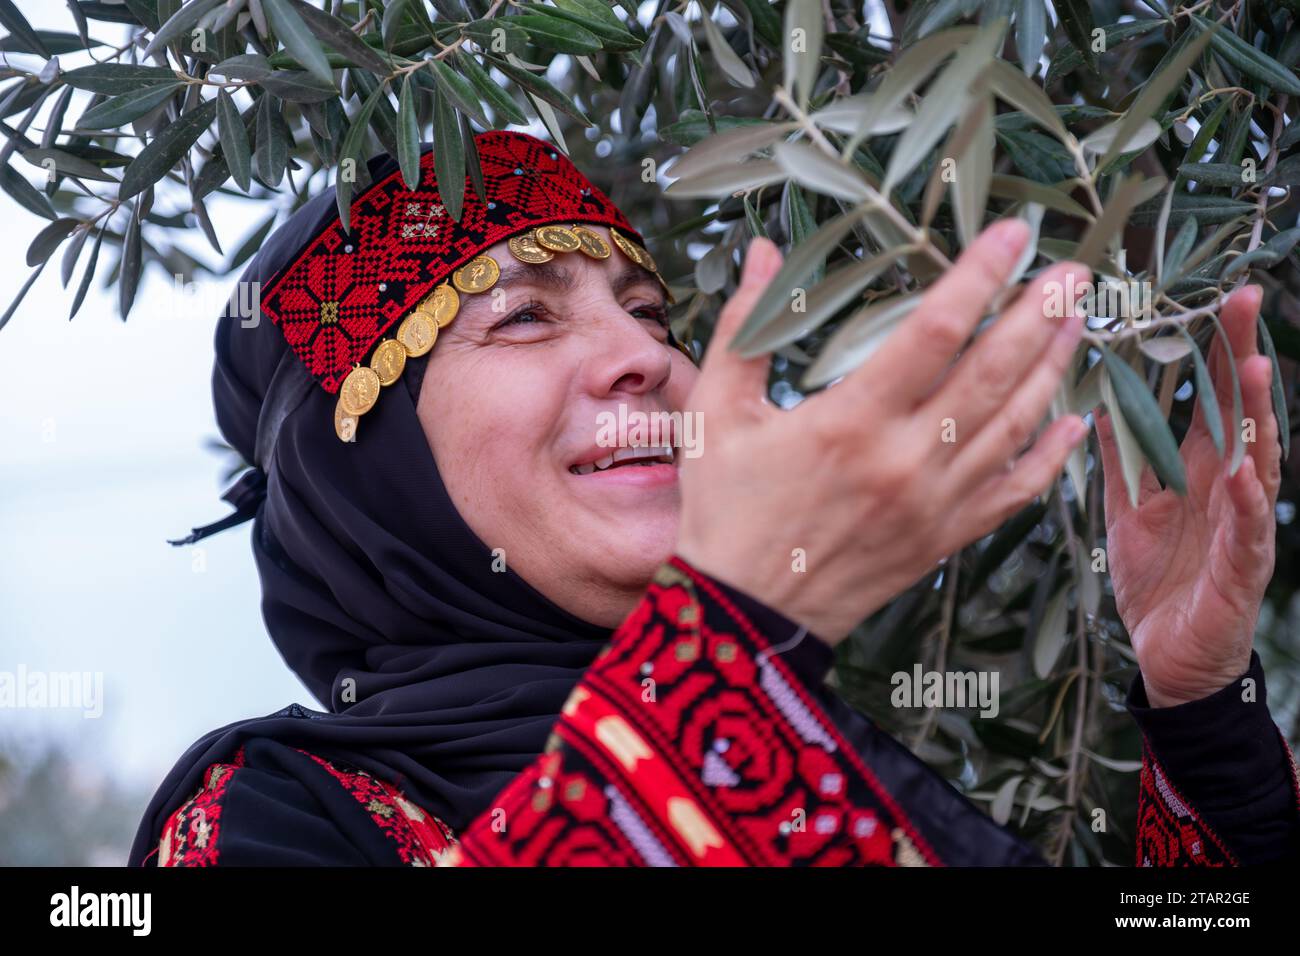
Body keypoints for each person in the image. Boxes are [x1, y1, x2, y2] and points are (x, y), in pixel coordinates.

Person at [127, 131, 1298, 867]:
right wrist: (731, 651)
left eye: (650, 313)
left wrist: (1199, 709)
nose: (646, 358)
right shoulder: (272, 819)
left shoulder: (806, 738)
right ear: (367, 471)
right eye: (523, 315)